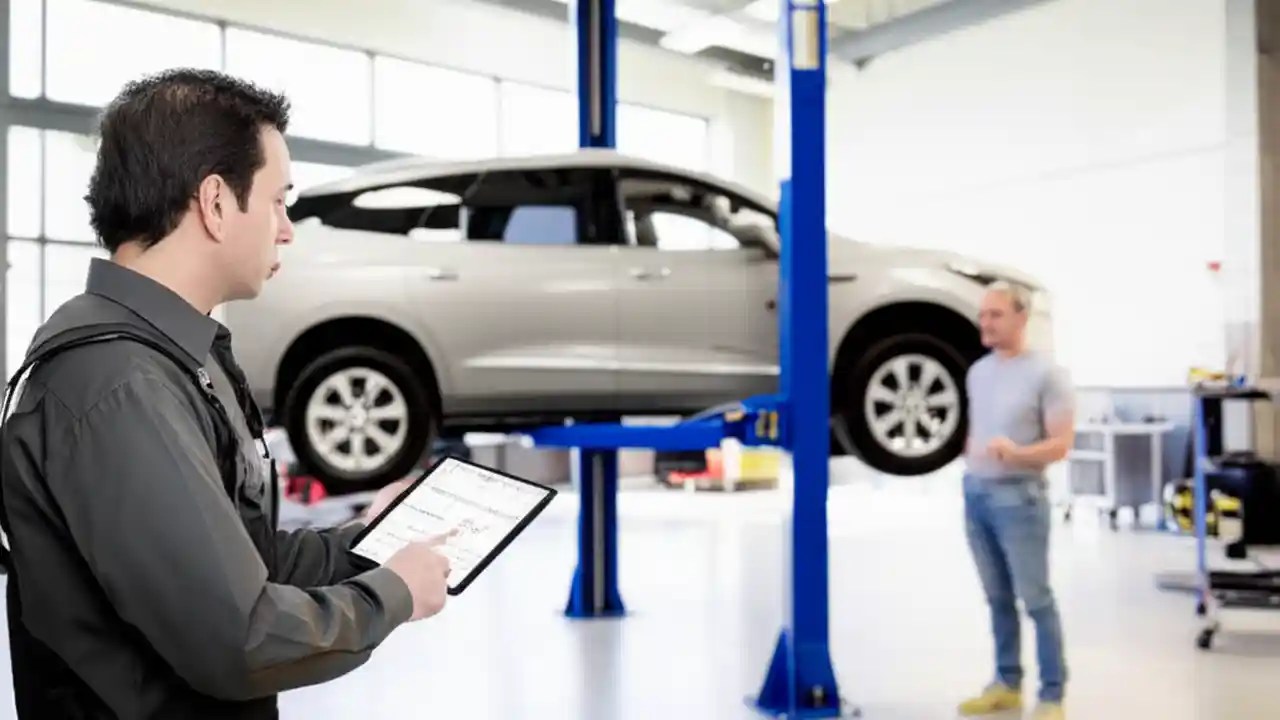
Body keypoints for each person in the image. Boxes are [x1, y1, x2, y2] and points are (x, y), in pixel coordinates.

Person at [0, 68, 452, 718]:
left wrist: (368, 541)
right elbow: (241, 640)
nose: (288, 229)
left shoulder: (172, 360)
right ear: (215, 202)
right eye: (278, 200)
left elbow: (243, 561)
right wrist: (395, 592)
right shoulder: (118, 385)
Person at [957, 282, 1074, 720]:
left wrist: (1017, 453)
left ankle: (1051, 695)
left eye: (996, 315)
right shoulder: (978, 372)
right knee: (997, 597)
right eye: (983, 314)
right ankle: (1006, 683)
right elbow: (976, 426)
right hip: (977, 495)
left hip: (1019, 499)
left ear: (1021, 318)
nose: (985, 323)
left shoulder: (1047, 375)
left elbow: (1061, 445)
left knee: (1036, 598)